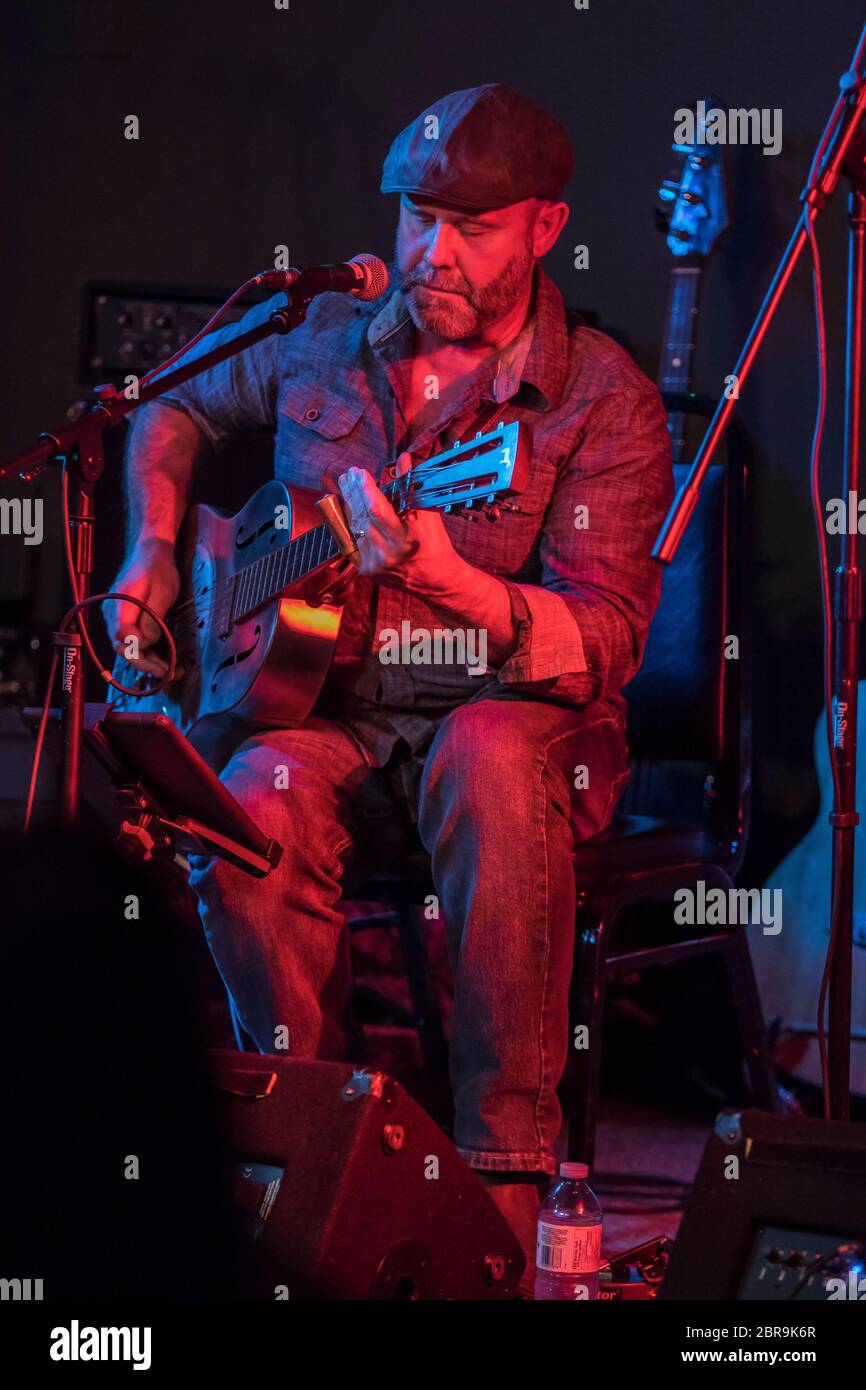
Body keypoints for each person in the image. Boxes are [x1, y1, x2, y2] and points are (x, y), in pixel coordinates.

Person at [103, 83, 674, 1291]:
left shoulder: (599, 400)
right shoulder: (324, 334)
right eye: (417, 218)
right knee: (246, 793)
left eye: (470, 227)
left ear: (543, 226)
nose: (432, 252)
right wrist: (154, 551)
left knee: (487, 753)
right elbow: (166, 405)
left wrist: (447, 579)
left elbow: (608, 638)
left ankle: (504, 1193)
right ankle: (301, 1140)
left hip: (521, 725)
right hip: (333, 718)